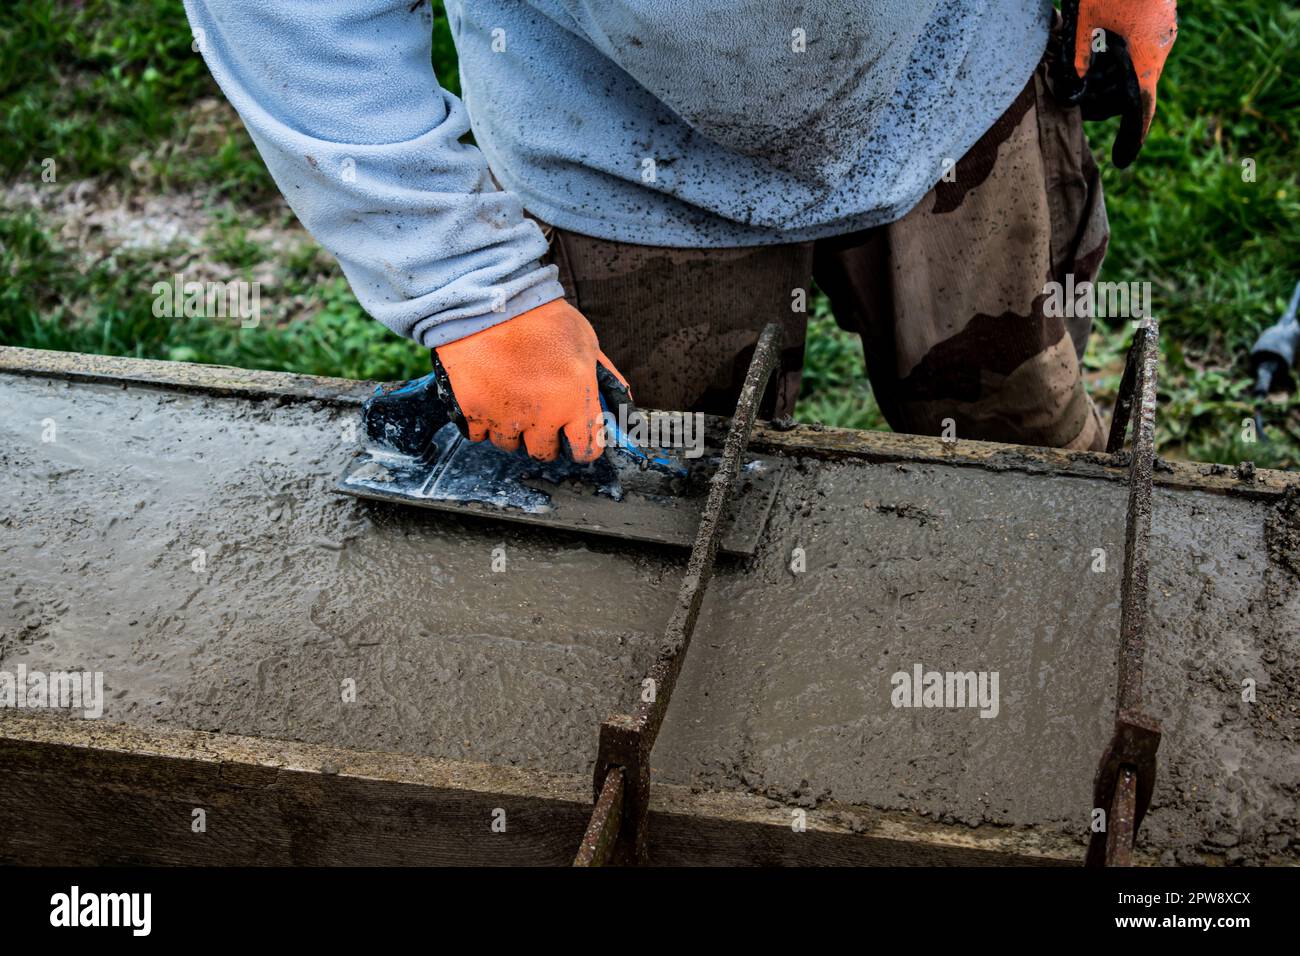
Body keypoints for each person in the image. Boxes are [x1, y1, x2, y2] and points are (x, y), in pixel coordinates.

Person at [184, 0, 1176, 461]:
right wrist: (478, 293)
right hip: (612, 145)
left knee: (1026, 457)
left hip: (955, 79)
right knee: (658, 516)